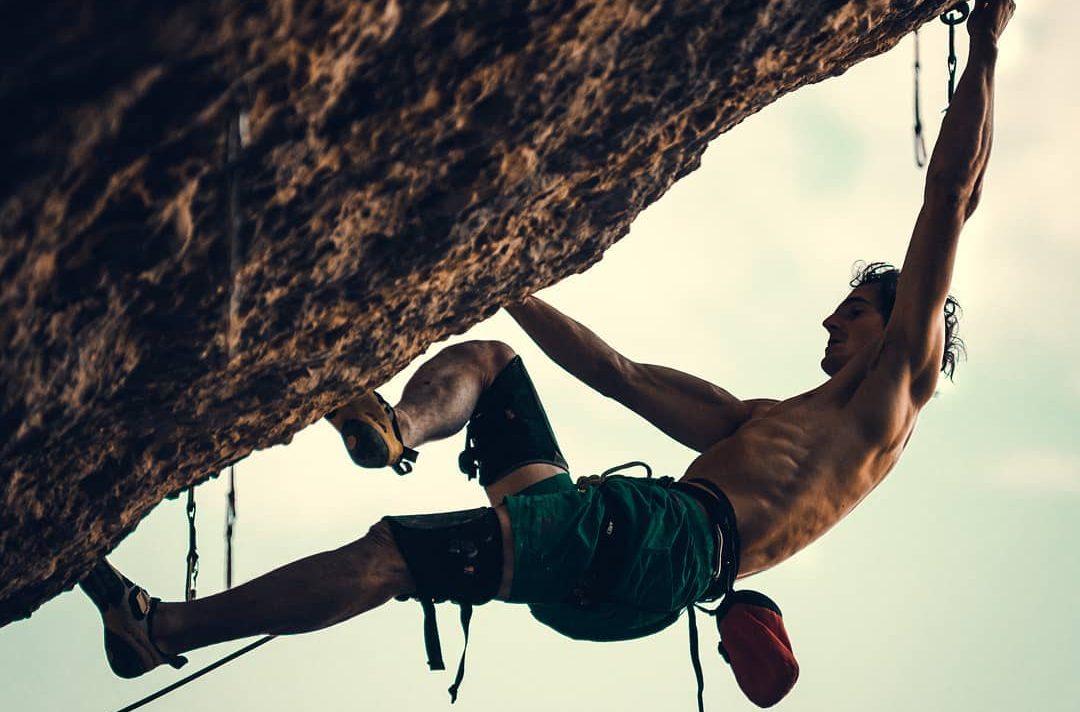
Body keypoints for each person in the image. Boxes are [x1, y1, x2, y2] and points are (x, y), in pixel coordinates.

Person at [80, 1, 1014, 707]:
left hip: (657, 541)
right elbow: (622, 377)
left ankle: (160, 628)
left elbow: (950, 199)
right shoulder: (765, 426)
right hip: (630, 556)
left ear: (897, 320)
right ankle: (395, 428)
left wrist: (988, 39)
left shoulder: (892, 392)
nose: (828, 325)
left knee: (394, 557)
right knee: (491, 361)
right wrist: (511, 284)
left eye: (850, 311)